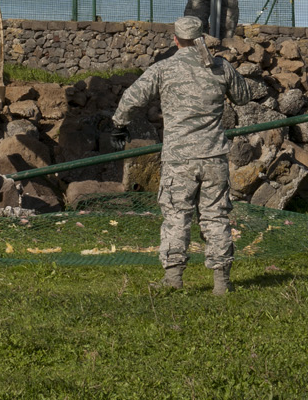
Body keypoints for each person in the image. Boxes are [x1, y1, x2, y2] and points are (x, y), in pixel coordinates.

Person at [111, 15, 259, 294]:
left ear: (176, 39)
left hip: (179, 159)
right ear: (201, 36)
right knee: (215, 217)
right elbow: (243, 96)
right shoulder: (220, 67)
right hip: (213, 156)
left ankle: (174, 278)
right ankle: (221, 282)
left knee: (177, 216)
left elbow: (132, 97)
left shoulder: (163, 69)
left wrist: (119, 125)